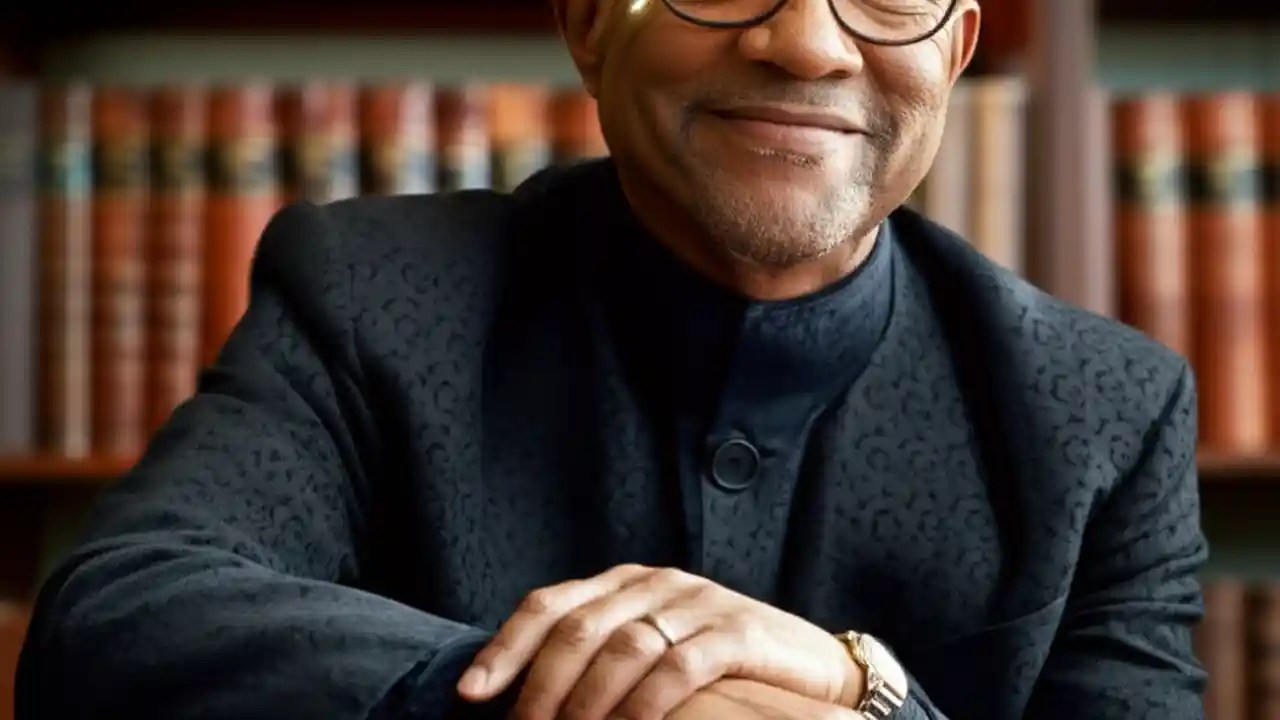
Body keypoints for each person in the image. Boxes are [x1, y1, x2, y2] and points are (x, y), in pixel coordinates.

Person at [16, 0, 1209, 718]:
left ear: (954, 48)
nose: (805, 43)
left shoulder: (1107, 410)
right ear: (588, 23)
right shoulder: (368, 292)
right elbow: (114, 628)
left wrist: (868, 699)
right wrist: (625, 696)